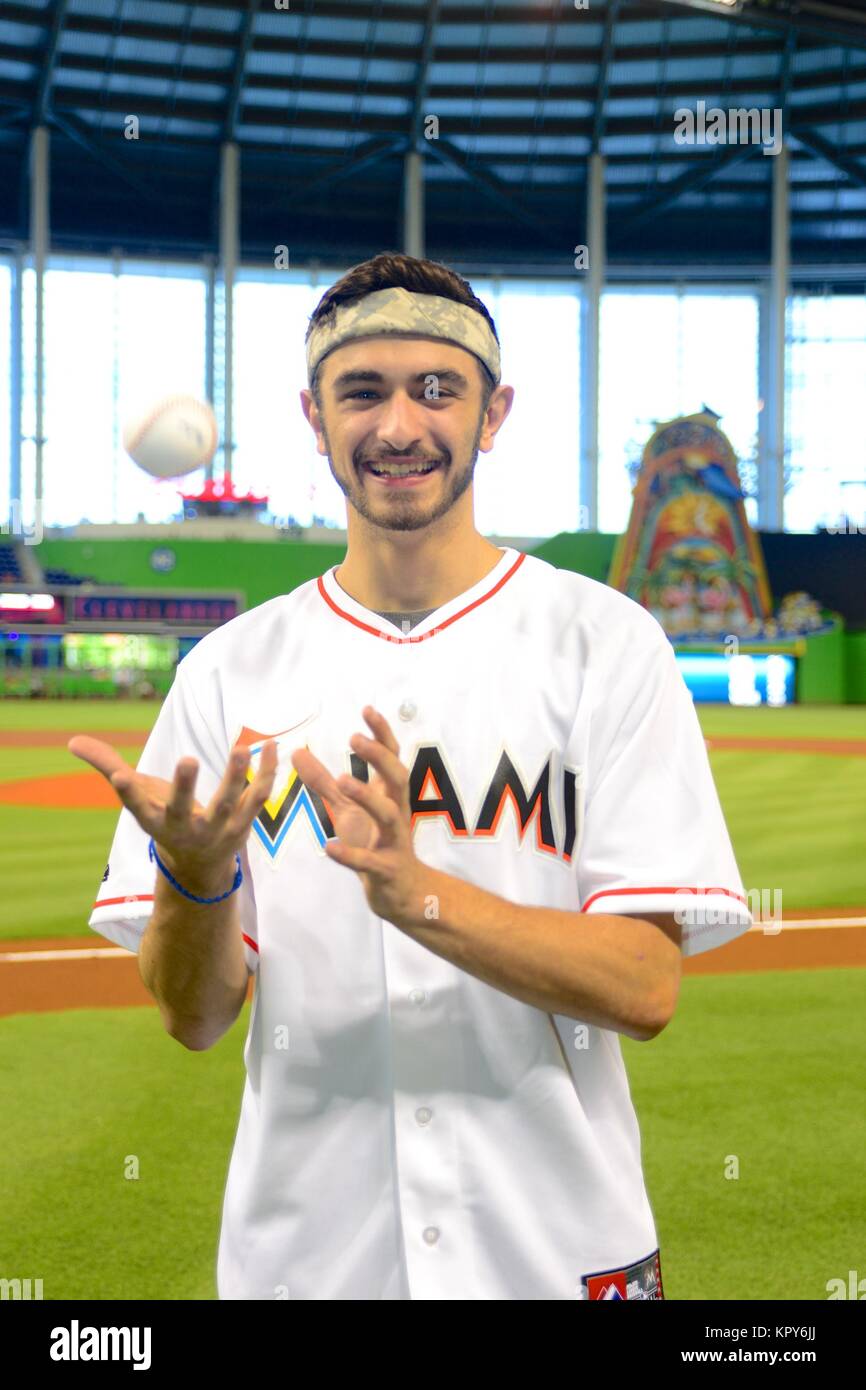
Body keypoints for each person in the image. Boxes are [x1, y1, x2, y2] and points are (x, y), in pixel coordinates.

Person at [69, 251, 753, 1301]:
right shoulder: (226, 674)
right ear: (314, 415)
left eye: (438, 389)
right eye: (363, 391)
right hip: (307, 1262)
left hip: (555, 1253)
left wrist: (419, 896)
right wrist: (197, 876)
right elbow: (195, 1014)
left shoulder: (605, 645)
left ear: (493, 413)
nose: (399, 426)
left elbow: (644, 985)